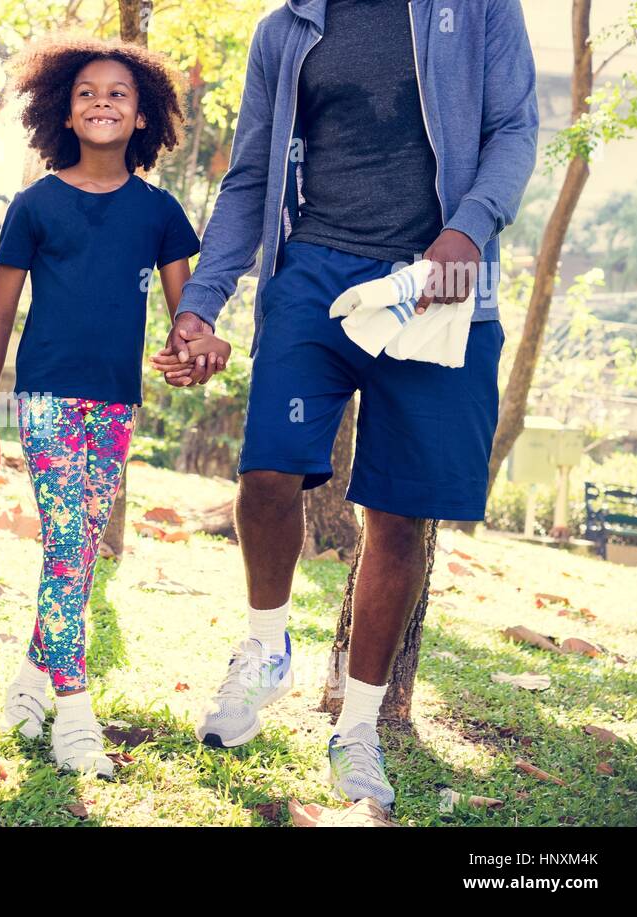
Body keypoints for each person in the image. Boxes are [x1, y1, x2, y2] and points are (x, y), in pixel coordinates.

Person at [153, 0, 538, 810]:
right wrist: (203, 302)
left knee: (397, 516)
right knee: (265, 474)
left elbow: (515, 128)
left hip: (440, 283)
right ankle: (265, 647)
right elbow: (251, 175)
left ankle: (357, 729)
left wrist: (468, 231)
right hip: (315, 277)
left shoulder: (478, 10)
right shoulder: (285, 28)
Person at [0, 37, 229, 776]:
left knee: (73, 551)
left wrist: (196, 351)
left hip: (114, 404)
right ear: (65, 110)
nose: (102, 101)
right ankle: (75, 713)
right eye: (86, 92)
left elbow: (188, 319)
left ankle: (29, 677)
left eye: (118, 92)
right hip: (44, 396)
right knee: (68, 542)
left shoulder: (160, 213)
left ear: (144, 115)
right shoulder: (36, 203)